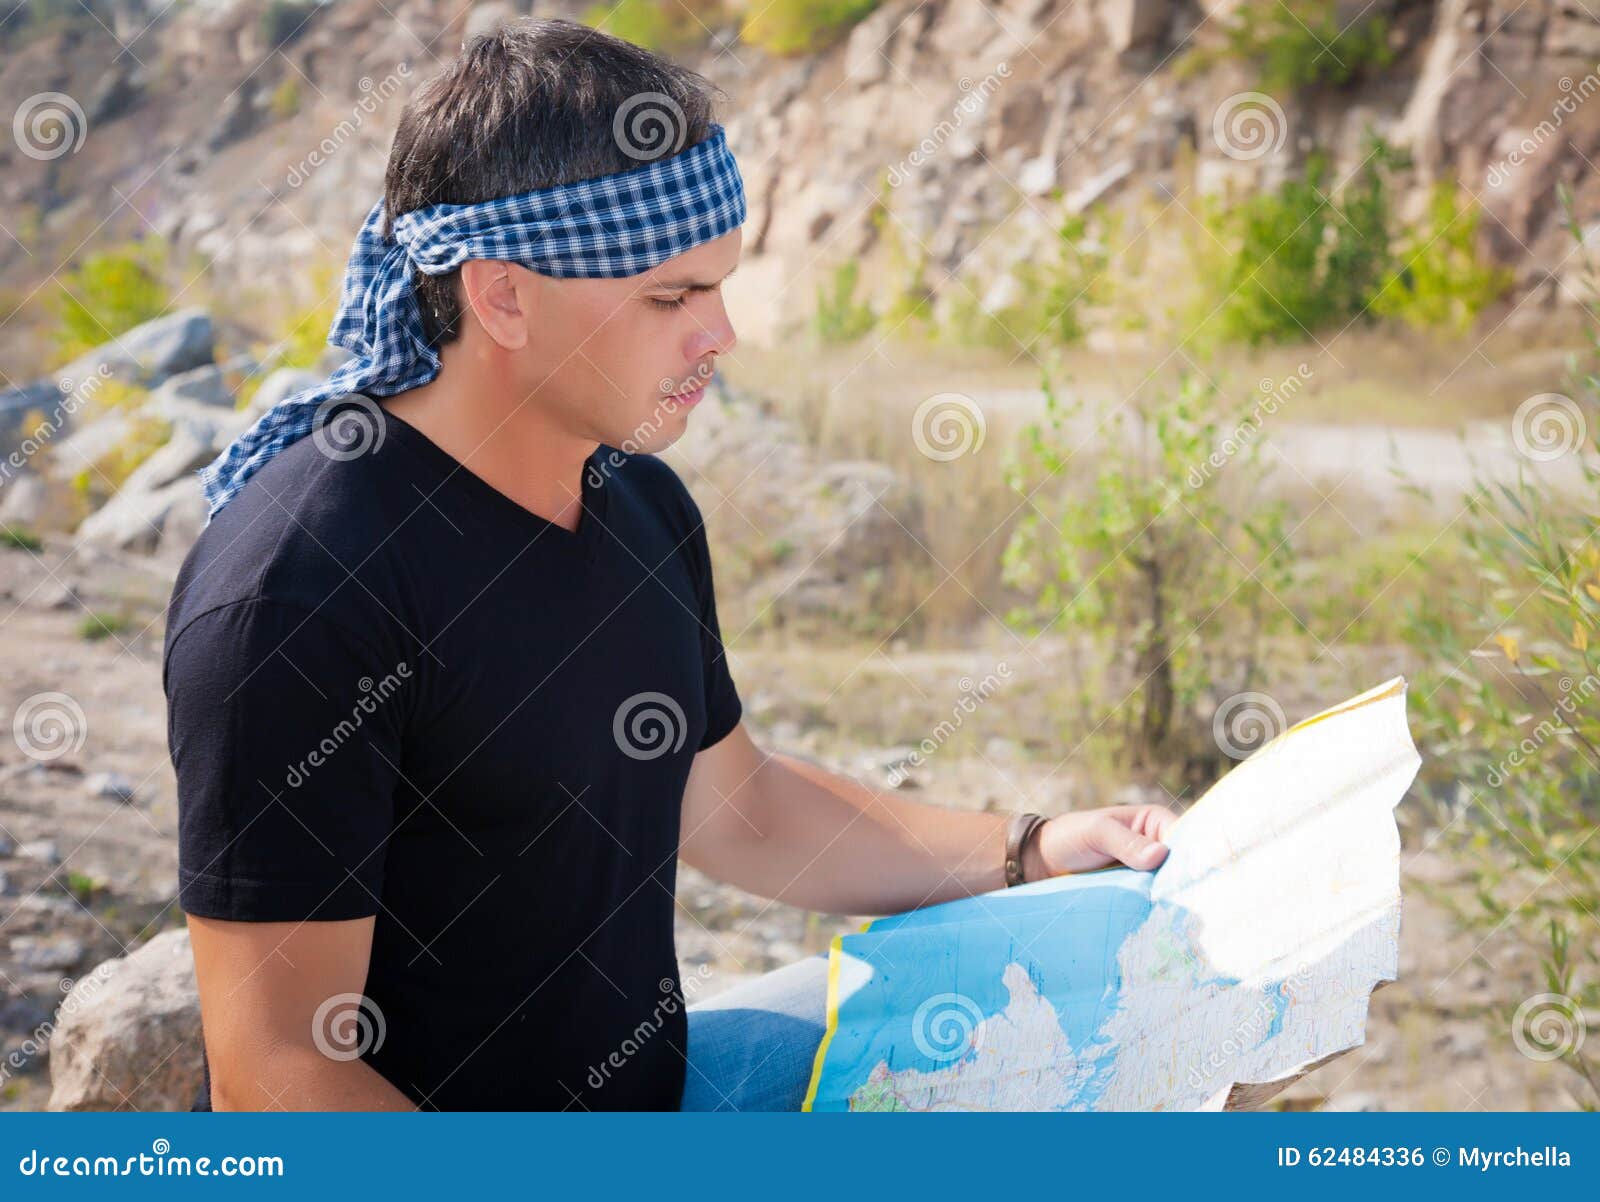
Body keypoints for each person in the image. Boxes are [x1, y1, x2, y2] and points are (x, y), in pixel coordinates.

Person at [164, 17, 1177, 1113]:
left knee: (1137, 1018)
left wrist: (1029, 849)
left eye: (719, 286)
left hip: (670, 1091)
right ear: (501, 295)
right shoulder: (299, 591)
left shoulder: (636, 494)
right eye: (671, 298)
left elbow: (736, 809)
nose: (722, 335)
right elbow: (279, 1072)